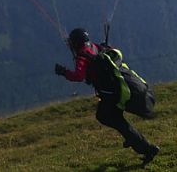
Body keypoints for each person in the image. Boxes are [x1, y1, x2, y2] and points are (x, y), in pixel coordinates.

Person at [54, 27, 159, 163]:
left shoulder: (82, 56)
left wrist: (63, 72)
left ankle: (144, 146)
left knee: (105, 116)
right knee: (112, 118)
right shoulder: (95, 47)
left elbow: (78, 76)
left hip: (111, 93)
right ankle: (135, 140)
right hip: (113, 89)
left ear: (76, 43)